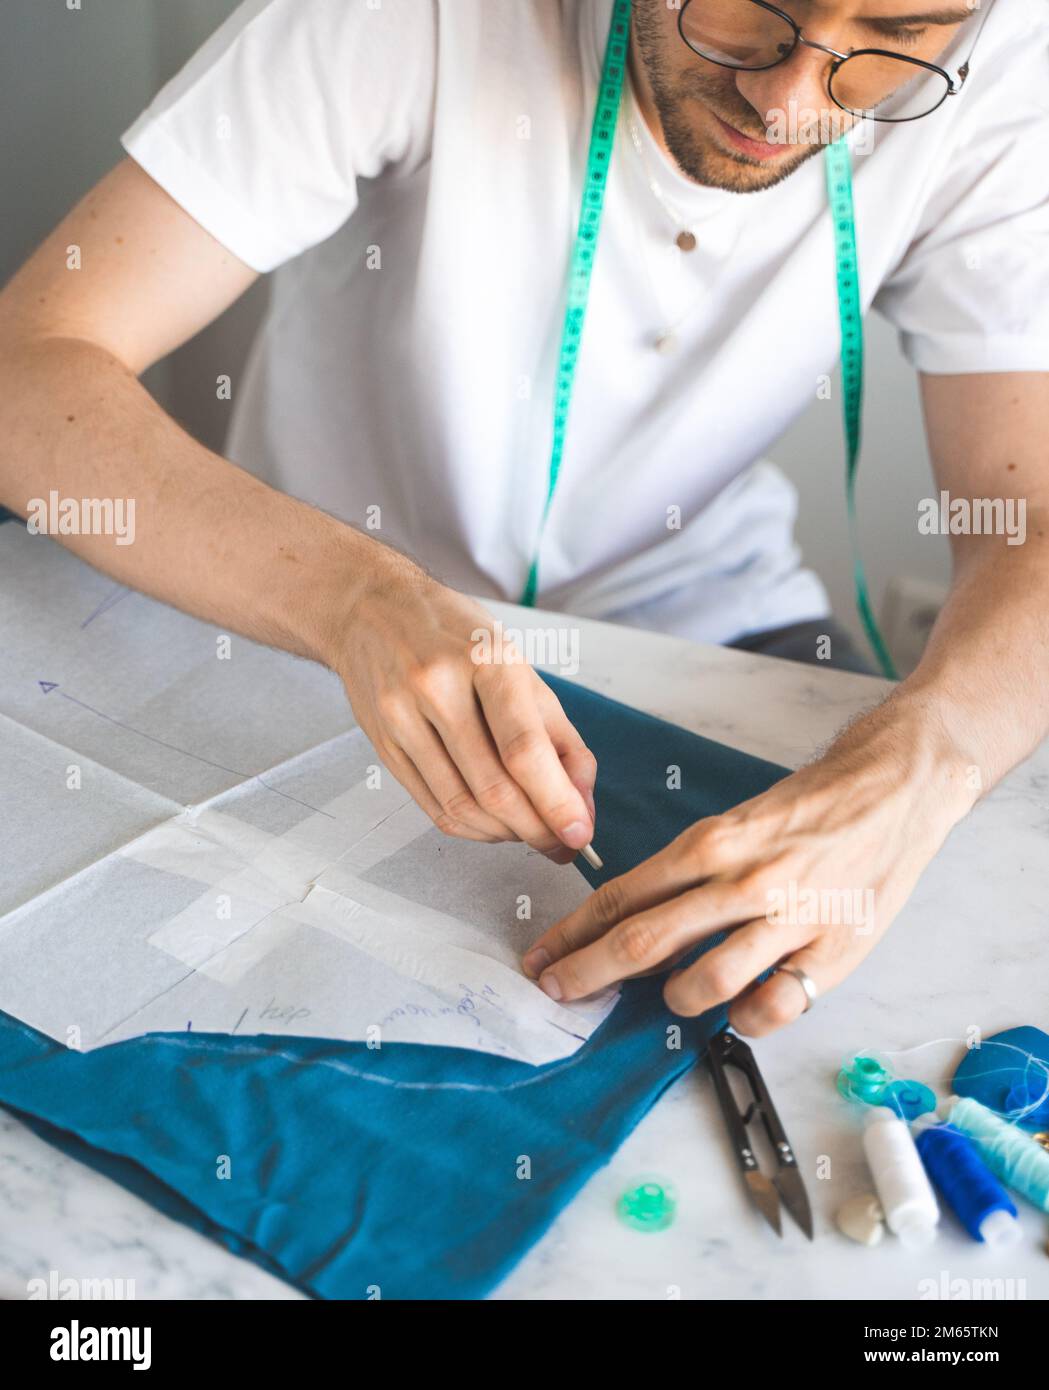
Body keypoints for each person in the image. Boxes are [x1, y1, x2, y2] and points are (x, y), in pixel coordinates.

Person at [1, 0, 1046, 1036]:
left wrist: (926, 755)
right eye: (751, 4)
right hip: (316, 623)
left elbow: (1028, 518)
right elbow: (27, 368)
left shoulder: (1004, 59)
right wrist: (354, 597)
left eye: (897, 35)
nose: (786, 99)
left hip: (715, 622)